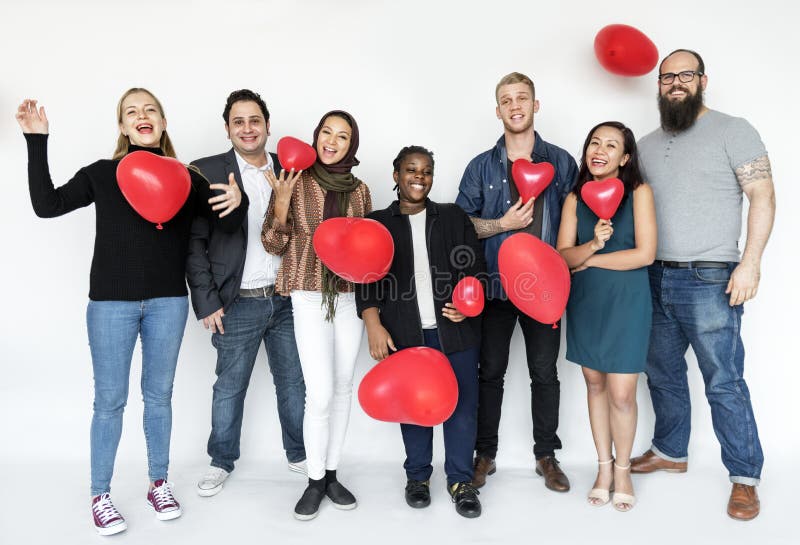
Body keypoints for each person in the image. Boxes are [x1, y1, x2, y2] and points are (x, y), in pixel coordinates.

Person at [16, 89, 246, 536]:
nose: (142, 116)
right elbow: (47, 206)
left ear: (162, 121)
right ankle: (100, 495)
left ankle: (158, 483)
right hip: (110, 304)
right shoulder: (104, 174)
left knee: (159, 397)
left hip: (168, 303)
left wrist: (239, 205)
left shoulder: (188, 177)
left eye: (150, 109)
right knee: (110, 402)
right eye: (131, 112)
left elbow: (225, 226)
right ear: (122, 126)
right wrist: (37, 141)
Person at [632, 49, 776, 521]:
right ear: (658, 85)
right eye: (667, 76)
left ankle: (744, 477)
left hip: (711, 277)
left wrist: (750, 263)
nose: (676, 83)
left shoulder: (734, 130)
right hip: (654, 276)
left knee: (724, 383)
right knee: (664, 375)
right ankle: (671, 452)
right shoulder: (647, 144)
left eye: (685, 75)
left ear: (703, 80)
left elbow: (762, 194)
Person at [455, 72, 578, 492]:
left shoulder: (561, 161)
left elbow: (573, 222)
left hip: (545, 291)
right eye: (506, 100)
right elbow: (462, 225)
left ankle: (547, 455)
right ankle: (484, 455)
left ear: (535, 105)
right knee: (490, 372)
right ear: (497, 110)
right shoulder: (480, 166)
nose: (515, 105)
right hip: (494, 287)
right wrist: (501, 224)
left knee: (544, 373)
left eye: (521, 97)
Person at [186, 89, 306, 497]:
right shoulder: (205, 172)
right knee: (229, 385)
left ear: (268, 126)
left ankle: (300, 452)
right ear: (227, 129)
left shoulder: (291, 172)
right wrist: (206, 300)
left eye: (255, 120)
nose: (247, 128)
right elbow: (195, 243)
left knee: (293, 382)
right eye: (238, 122)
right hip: (237, 302)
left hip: (288, 299)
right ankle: (221, 460)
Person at [357, 146, 486, 518]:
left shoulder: (452, 217)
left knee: (462, 408)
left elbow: (475, 268)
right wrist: (373, 323)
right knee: (415, 410)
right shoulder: (378, 223)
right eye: (411, 170)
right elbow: (366, 279)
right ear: (396, 175)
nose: (419, 177)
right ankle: (417, 477)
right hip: (404, 334)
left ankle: (461, 481)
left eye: (427, 171)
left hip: (455, 334)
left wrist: (467, 304)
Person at [262, 110, 371, 520]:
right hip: (307, 296)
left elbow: (367, 250)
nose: (332, 141)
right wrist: (283, 204)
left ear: (351, 145)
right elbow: (273, 244)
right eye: (327, 132)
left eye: (342, 136)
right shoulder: (294, 179)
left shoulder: (360, 191)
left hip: (347, 299)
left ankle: (330, 474)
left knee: (343, 387)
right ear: (316, 136)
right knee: (320, 392)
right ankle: (312, 480)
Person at [556, 122, 656, 512]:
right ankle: (603, 467)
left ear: (625, 158)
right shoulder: (573, 199)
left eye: (611, 145)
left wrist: (592, 257)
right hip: (586, 301)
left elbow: (644, 254)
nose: (599, 150)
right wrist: (592, 241)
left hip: (628, 301)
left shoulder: (639, 193)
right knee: (595, 384)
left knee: (622, 392)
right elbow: (563, 257)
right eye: (594, 143)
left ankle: (624, 468)